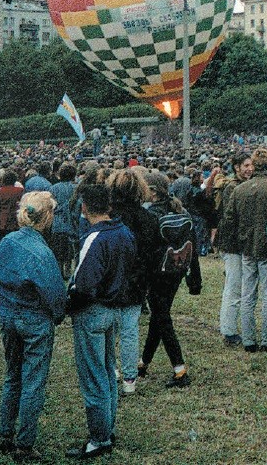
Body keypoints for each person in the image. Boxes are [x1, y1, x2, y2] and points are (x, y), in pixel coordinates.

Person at [0, 191, 67, 462]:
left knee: (13, 374)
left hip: (9, 313)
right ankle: (24, 444)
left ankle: (5, 434)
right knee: (33, 381)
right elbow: (55, 295)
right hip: (34, 319)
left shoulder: (8, 241)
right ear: (47, 218)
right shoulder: (42, 253)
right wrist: (57, 315)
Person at [66, 182, 134, 460]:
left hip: (93, 310)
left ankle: (99, 437)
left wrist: (67, 306)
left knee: (94, 376)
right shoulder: (124, 232)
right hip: (114, 308)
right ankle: (107, 428)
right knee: (107, 371)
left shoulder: (95, 238)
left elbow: (83, 284)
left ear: (84, 207)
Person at [138, 171, 202, 389]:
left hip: (156, 274)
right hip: (176, 271)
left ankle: (180, 369)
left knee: (162, 319)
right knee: (159, 317)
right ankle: (144, 362)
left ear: (152, 191)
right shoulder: (180, 211)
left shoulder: (150, 215)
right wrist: (195, 277)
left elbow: (145, 250)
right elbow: (192, 244)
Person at [105, 168, 160, 395]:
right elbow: (153, 253)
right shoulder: (148, 218)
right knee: (129, 329)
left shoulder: (108, 217)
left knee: (109, 329)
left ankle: (112, 371)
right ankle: (129, 378)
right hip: (137, 279)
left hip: (110, 279)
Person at [233, 148, 267, 352]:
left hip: (247, 246)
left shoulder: (240, 189)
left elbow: (231, 219)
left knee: (248, 294)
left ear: (253, 165)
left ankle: (248, 340)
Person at [215, 152, 252, 346]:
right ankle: (228, 330)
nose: (249, 169)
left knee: (238, 286)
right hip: (232, 244)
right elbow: (231, 218)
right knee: (233, 286)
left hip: (238, 243)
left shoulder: (240, 186)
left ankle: (230, 327)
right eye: (246, 165)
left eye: (251, 165)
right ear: (237, 167)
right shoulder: (232, 187)